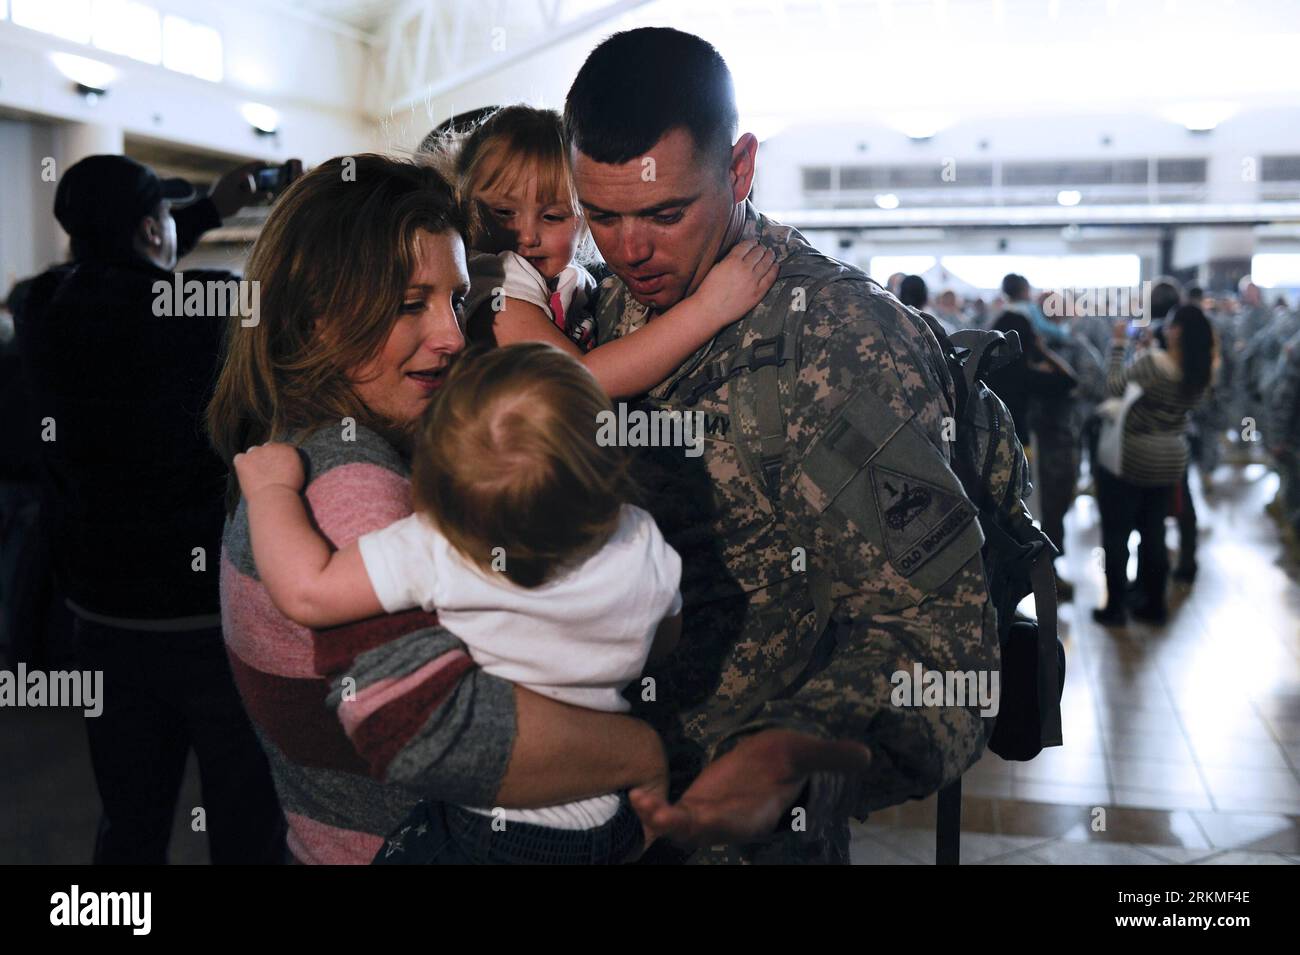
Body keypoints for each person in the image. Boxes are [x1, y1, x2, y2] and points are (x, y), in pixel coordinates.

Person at [565, 27, 997, 864]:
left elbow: (941, 643)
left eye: (664, 212)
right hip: (589, 802)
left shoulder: (837, 346)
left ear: (740, 168)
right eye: (602, 216)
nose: (629, 249)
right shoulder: (600, 305)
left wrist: (792, 750)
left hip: (739, 828)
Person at [206, 155, 667, 864]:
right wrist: (640, 750)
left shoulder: (308, 451)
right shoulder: (349, 484)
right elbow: (424, 727)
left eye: (455, 300)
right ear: (317, 316)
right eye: (408, 303)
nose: (453, 334)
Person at [232, 343, 680, 864]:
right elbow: (662, 639)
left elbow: (306, 591)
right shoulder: (642, 539)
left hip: (492, 832)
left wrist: (271, 492)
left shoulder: (440, 549)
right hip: (606, 825)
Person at [11, 154, 288, 863]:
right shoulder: (211, 308)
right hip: (211, 624)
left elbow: (124, 269)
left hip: (100, 622)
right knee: (244, 825)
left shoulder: (38, 307)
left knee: (129, 823)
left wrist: (204, 210)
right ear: (148, 227)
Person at [424, 104, 776, 398]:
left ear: (586, 219)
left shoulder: (574, 279)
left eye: (552, 216)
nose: (526, 236)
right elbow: (580, 380)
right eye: (503, 213)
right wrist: (708, 308)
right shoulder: (493, 277)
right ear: (464, 204)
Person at [1092, 305, 1215, 626]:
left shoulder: (1153, 365)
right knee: (1154, 532)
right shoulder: (1201, 371)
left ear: (1176, 331)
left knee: (1117, 533)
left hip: (1131, 456)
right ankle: (1153, 603)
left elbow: (1115, 386)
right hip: (1171, 458)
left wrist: (1118, 345)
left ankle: (1115, 606)